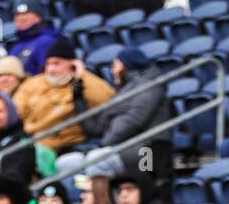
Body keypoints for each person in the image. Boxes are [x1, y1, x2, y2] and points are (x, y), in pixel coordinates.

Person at [63, 47, 170, 178]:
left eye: (115, 65)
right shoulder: (122, 92)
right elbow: (95, 129)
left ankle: (100, 198)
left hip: (149, 150)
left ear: (126, 65)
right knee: (66, 163)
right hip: (120, 147)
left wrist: (103, 145)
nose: (112, 71)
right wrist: (79, 99)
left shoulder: (150, 84)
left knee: (98, 159)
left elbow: (134, 119)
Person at [12, 36, 116, 152]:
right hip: (34, 142)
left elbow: (105, 98)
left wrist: (81, 75)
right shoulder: (32, 84)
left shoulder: (84, 82)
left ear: (73, 65)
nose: (51, 69)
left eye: (56, 63)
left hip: (69, 146)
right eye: (48, 64)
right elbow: (15, 111)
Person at [7, 0, 61, 77]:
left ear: (38, 17)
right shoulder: (16, 45)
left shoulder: (46, 41)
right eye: (18, 14)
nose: (21, 18)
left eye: (26, 13)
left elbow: (49, 75)